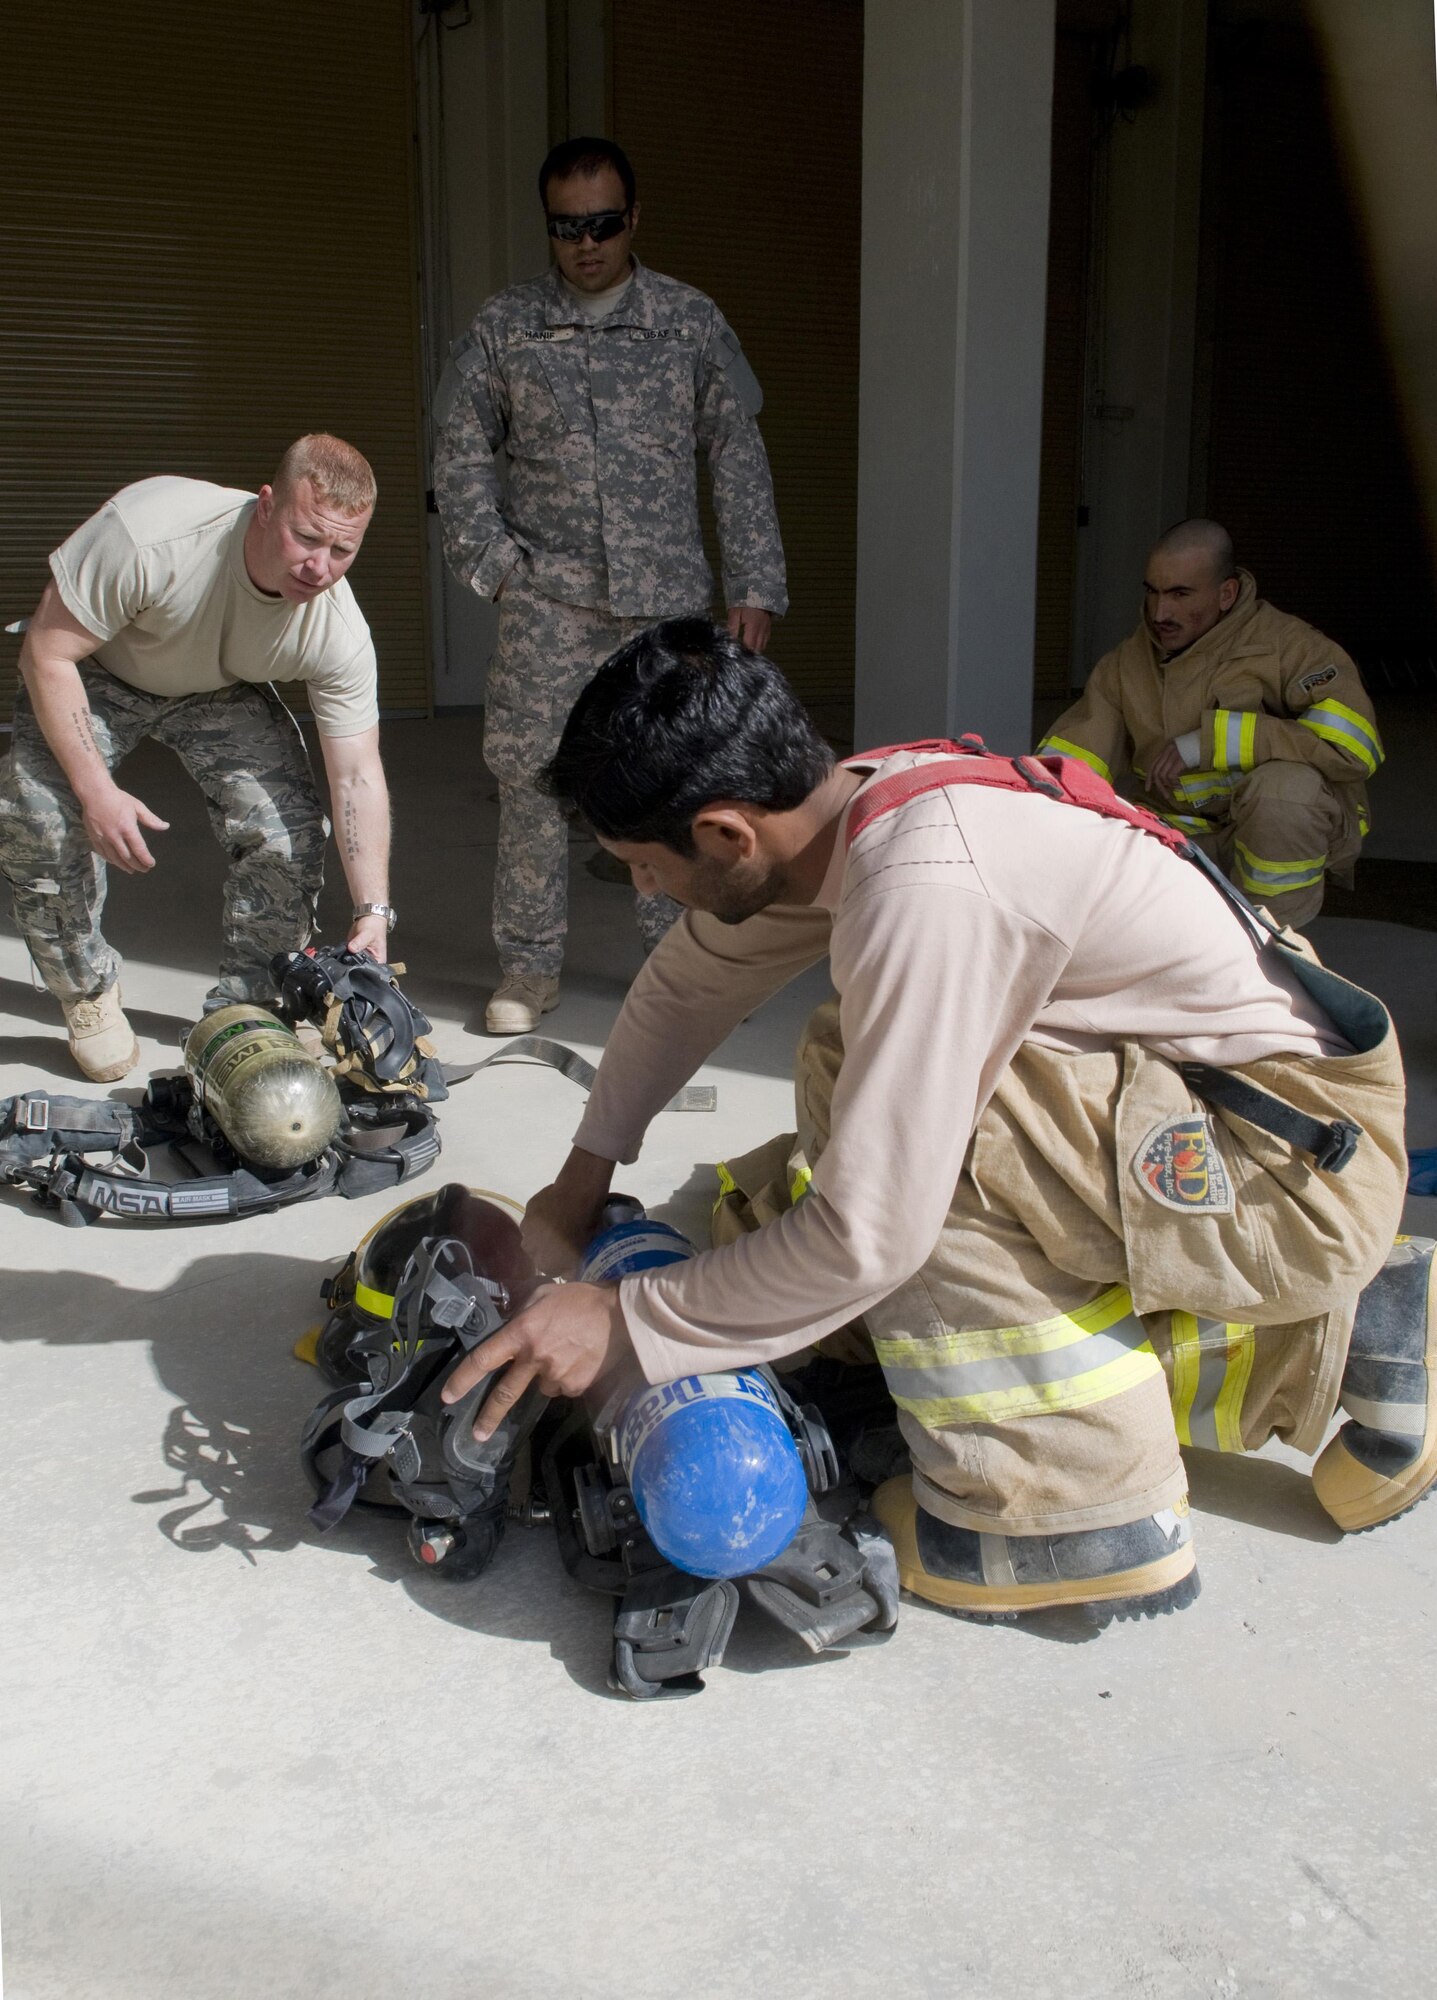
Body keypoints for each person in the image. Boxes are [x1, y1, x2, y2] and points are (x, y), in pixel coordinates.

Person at [438, 620, 1426, 1623]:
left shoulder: (924, 890)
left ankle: (1064, 1510)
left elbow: (869, 1233)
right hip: (1255, 1123)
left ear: (729, 833)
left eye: (645, 865)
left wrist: (626, 1320)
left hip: (1287, 1168)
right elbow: (689, 980)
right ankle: (1378, 1336)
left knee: (911, 1145)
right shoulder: (854, 807)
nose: (646, 888)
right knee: (859, 1075)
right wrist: (585, 1170)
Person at [433, 136, 787, 1035]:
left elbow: (737, 457)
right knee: (530, 782)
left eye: (601, 223)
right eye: (565, 227)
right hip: (547, 603)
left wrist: (754, 583)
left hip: (663, 604)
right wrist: (497, 567)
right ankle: (527, 971)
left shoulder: (688, 322)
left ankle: (682, 971)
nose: (585, 243)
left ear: (633, 217)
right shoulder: (505, 328)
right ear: (548, 228)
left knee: (674, 784)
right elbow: (458, 451)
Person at [0, 435, 396, 1082]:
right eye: (305, 537)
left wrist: (372, 910)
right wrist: (96, 792)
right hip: (98, 669)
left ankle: (249, 1012)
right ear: (266, 506)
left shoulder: (336, 629)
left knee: (288, 830)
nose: (319, 567)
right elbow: (46, 652)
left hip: (218, 687)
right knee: (39, 813)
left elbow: (357, 775)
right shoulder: (151, 536)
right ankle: (87, 992)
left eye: (342, 550)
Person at [1037, 519, 1383, 928]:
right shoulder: (1126, 665)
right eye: (1153, 592)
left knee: (1284, 794)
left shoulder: (1290, 646)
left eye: (1180, 594)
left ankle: (1275, 947)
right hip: (1185, 835)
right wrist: (1027, 800)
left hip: (1277, 831)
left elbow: (1353, 747)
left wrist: (1212, 741)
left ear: (1226, 594)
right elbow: (1073, 760)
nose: (1160, 612)